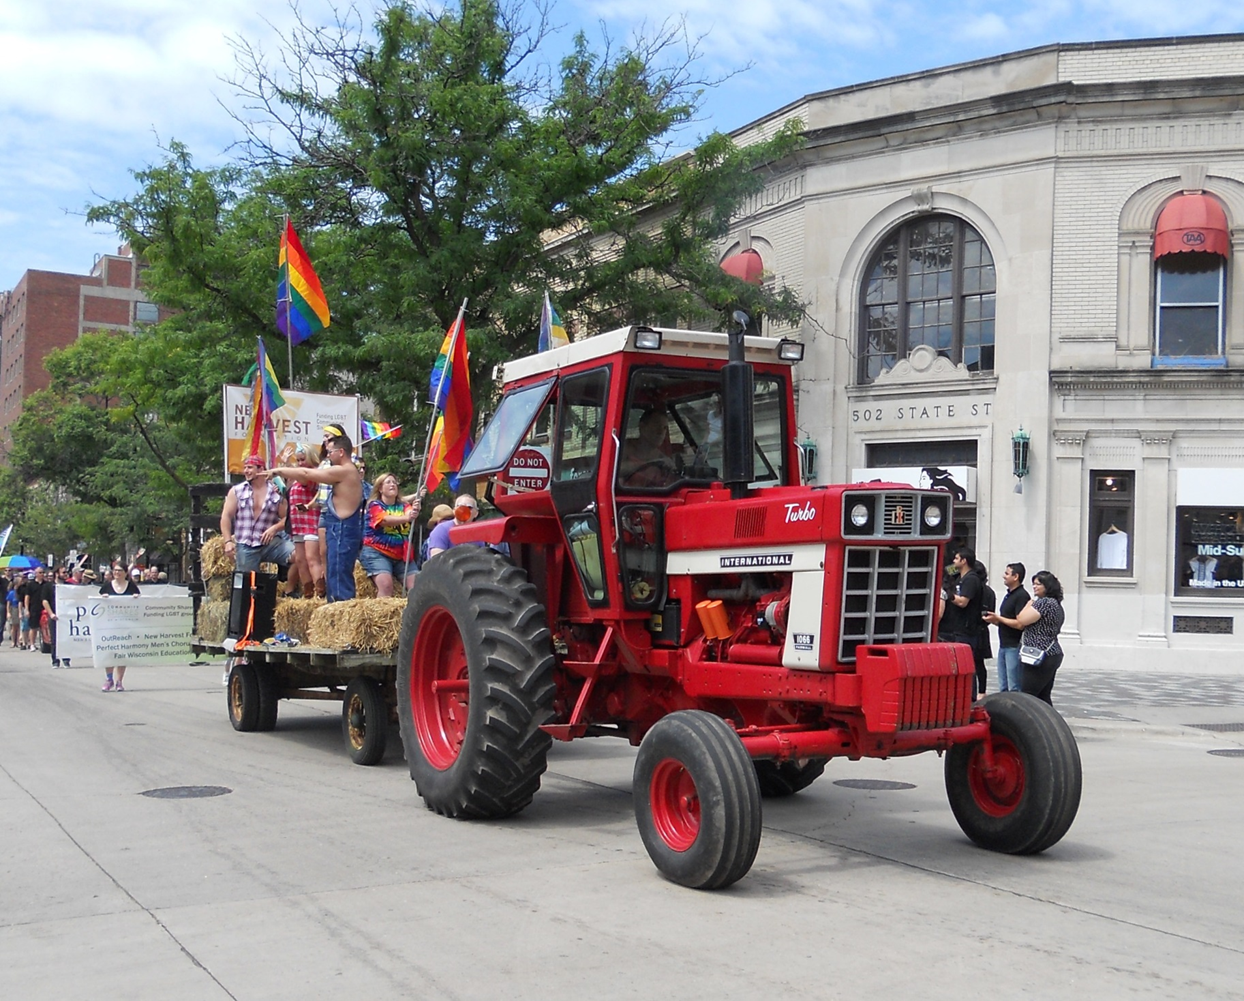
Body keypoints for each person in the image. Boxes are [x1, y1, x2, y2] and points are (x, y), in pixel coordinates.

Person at [270, 432, 364, 601]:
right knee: (334, 573)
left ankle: (339, 607)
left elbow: (306, 475)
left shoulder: (344, 471)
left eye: (331, 452)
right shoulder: (347, 471)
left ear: (341, 452)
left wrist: (277, 470)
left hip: (342, 528)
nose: (328, 456)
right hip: (341, 527)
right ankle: (333, 606)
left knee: (338, 574)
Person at [990, 570, 1066, 705]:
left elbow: (1021, 619)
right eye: (1034, 584)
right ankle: (1048, 723)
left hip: (1039, 654)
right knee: (1043, 695)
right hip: (1052, 652)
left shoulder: (1044, 603)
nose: (1034, 587)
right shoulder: (1056, 604)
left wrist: (1029, 603)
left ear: (1047, 587)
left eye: (1038, 584)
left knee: (1028, 695)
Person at [219, 453, 294, 573]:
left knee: (298, 556)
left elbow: (288, 517)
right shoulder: (237, 491)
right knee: (247, 582)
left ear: (261, 469)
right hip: (246, 544)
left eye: (250, 467)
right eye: (245, 467)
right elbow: (226, 516)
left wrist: (274, 528)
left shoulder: (275, 491)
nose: (246, 471)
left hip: (271, 543)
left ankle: (291, 588)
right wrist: (228, 541)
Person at [361, 473, 423, 596]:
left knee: (418, 588)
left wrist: (415, 510)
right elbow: (384, 520)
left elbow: (410, 512)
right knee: (386, 585)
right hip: (377, 552)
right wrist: (407, 518)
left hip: (402, 555)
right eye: (388, 482)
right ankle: (381, 615)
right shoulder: (374, 506)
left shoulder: (404, 506)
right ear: (380, 488)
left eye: (394, 482)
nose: (392, 484)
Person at [938, 545, 985, 697]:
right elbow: (946, 571)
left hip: (967, 629)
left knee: (966, 664)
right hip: (957, 627)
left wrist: (948, 595)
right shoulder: (959, 576)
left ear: (964, 561)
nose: (953, 561)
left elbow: (963, 602)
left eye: (957, 559)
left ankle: (970, 695)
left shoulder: (971, 579)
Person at [286, 443, 324, 598]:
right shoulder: (298, 477)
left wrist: (287, 465)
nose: (301, 463)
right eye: (299, 460)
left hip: (311, 522)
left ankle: (320, 590)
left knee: (312, 558)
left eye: (303, 459)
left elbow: (303, 479)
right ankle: (308, 592)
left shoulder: (312, 475)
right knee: (301, 560)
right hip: (298, 524)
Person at [984, 562, 1030, 692]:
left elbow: (1020, 624)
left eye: (1007, 573)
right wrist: (994, 620)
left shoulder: (1021, 596)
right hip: (1004, 644)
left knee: (1014, 685)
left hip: (1014, 645)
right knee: (1003, 685)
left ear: (1016, 577)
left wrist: (998, 618)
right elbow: (1006, 621)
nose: (1003, 576)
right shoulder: (1009, 594)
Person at [99, 564, 141, 691]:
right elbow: (98, 604)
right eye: (115, 570)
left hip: (125, 626)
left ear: (125, 572)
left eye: (120, 570)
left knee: (122, 653)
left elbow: (139, 603)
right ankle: (109, 679)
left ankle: (119, 681)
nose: (117, 573)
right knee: (110, 652)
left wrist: (135, 599)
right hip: (109, 626)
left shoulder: (131, 586)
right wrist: (103, 599)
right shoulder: (106, 586)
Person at [620, 410, 678, 488]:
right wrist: (647, 463)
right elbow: (613, 471)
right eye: (656, 425)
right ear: (642, 427)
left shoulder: (663, 459)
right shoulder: (625, 447)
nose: (661, 432)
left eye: (664, 428)